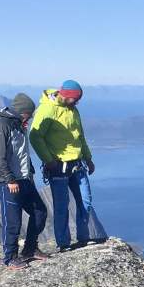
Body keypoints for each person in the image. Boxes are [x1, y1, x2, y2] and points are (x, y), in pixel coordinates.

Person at [30, 79, 100, 250]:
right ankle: (64, 243)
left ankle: (83, 237)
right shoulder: (47, 109)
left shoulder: (72, 109)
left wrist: (88, 158)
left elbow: (80, 135)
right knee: (62, 206)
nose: (77, 102)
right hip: (58, 166)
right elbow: (35, 136)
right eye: (75, 99)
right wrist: (48, 160)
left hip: (78, 164)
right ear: (67, 95)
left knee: (85, 201)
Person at [0, 93, 48, 270]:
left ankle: (30, 249)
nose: (30, 117)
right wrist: (10, 179)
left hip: (24, 179)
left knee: (39, 212)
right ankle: (10, 257)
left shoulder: (19, 126)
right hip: (8, 182)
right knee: (13, 220)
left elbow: (22, 153)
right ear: (22, 111)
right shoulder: (2, 126)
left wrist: (30, 171)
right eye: (29, 114)